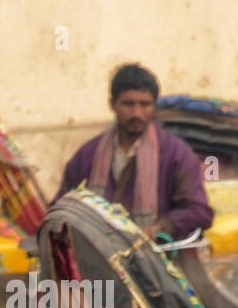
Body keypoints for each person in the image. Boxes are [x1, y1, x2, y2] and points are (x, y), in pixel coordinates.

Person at [54, 63, 213, 240]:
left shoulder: (175, 154)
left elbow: (200, 212)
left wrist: (162, 226)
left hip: (160, 257)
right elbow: (62, 207)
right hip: (99, 259)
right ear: (113, 104)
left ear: (154, 106)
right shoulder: (87, 155)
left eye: (144, 105)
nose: (137, 113)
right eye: (128, 104)